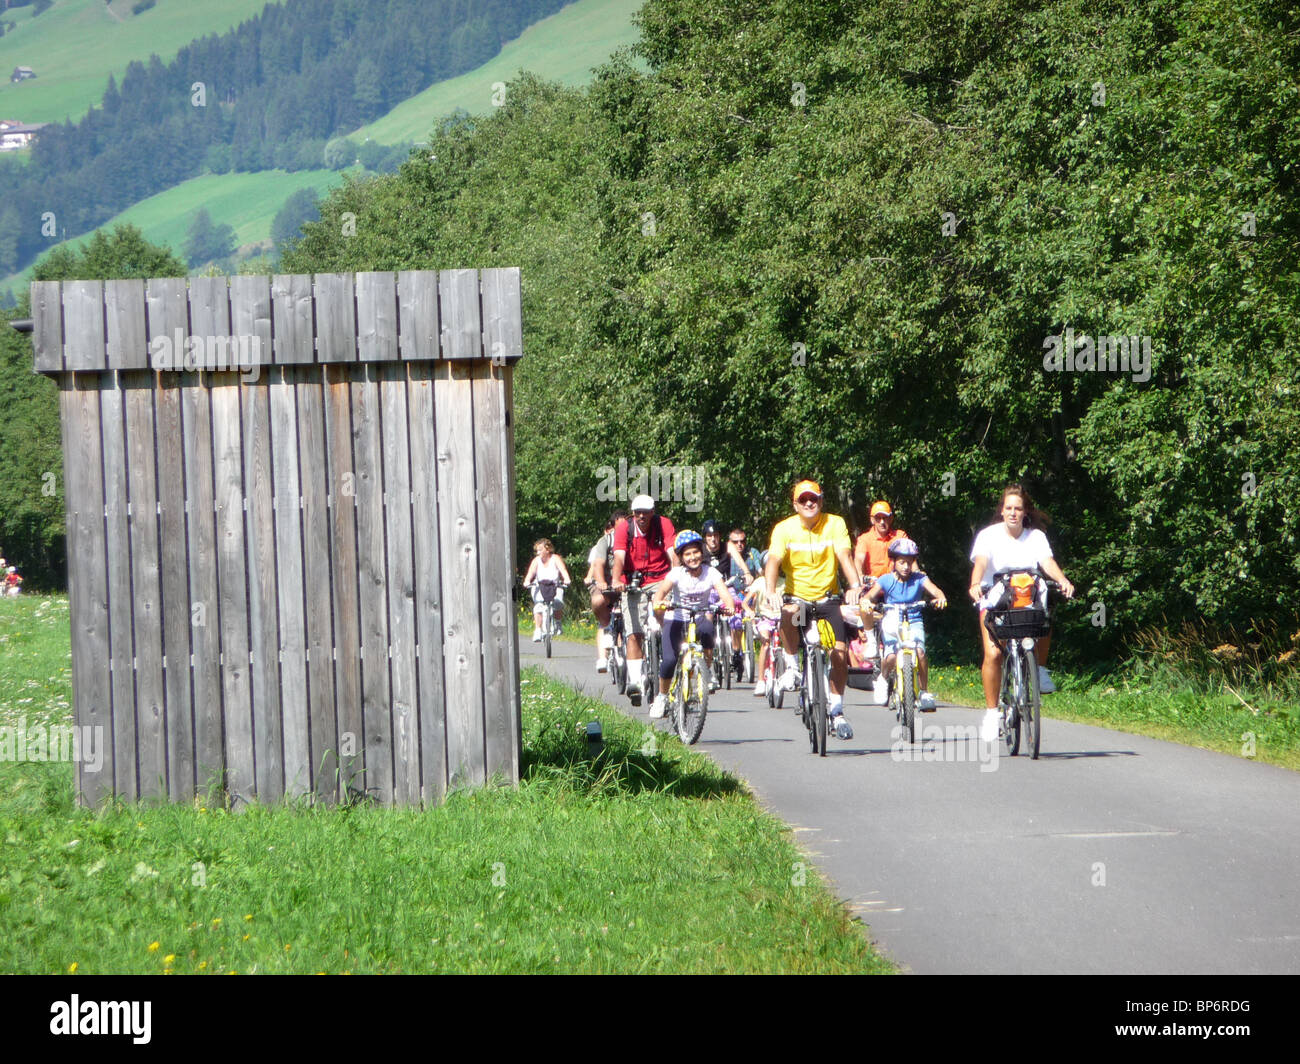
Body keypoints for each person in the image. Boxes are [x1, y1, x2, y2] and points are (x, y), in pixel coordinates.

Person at [968, 484, 1075, 741]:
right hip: (995, 596)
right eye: (1008, 508)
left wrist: (1063, 580)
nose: (1013, 513)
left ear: (1025, 511)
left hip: (1027, 597)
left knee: (1045, 613)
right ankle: (992, 713)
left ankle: (1038, 668)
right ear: (1001, 511)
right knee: (993, 653)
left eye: (1018, 508)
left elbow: (1047, 563)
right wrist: (974, 584)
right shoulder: (988, 535)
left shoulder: (1036, 537)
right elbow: (981, 562)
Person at [763, 479, 866, 740]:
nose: (809, 503)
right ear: (795, 504)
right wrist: (771, 591)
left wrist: (854, 585)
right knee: (789, 613)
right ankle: (792, 666)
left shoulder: (835, 523)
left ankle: (838, 711)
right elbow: (774, 560)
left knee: (839, 655)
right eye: (803, 499)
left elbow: (845, 556)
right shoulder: (784, 528)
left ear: (821, 501)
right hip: (798, 598)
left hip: (827, 598)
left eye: (814, 499)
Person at [649, 530, 738, 718]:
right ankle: (662, 697)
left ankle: (706, 669)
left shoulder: (711, 573)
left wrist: (728, 606)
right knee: (670, 661)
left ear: (702, 552)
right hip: (676, 618)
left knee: (707, 630)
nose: (692, 557)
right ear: (681, 557)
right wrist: (660, 603)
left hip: (698, 616)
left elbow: (725, 595)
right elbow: (661, 593)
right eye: (687, 554)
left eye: (695, 552)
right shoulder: (676, 574)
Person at [610, 495, 678, 706]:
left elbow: (672, 552)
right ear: (633, 513)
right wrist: (616, 580)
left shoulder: (663, 524)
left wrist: (676, 574)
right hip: (633, 581)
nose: (642, 516)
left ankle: (666, 653)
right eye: (637, 512)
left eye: (646, 512)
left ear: (652, 512)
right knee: (634, 633)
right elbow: (619, 557)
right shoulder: (624, 529)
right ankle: (636, 681)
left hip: (660, 579)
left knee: (665, 620)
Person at [863, 537, 946, 711]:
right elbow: (870, 596)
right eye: (902, 562)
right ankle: (883, 679)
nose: (906, 567)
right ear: (893, 562)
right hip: (892, 619)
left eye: (909, 562)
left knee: (921, 653)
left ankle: (924, 691)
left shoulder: (919, 578)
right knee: (891, 656)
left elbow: (935, 589)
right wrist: (867, 602)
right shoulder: (886, 580)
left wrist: (940, 597)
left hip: (914, 620)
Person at [583, 510, 628, 671]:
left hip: (626, 584)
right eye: (620, 525)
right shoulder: (605, 541)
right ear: (613, 526)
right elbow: (598, 564)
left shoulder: (633, 539)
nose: (624, 528)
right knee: (599, 602)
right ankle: (602, 658)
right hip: (607, 583)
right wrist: (601, 582)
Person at [523, 539, 572, 641]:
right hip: (540, 586)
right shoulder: (536, 561)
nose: (538, 552)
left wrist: (566, 579)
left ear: (548, 549)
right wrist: (527, 581)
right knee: (538, 606)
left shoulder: (555, 558)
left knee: (558, 603)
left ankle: (558, 624)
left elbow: (563, 570)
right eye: (537, 550)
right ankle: (538, 630)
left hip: (554, 586)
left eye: (540, 550)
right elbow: (531, 572)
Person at [853, 500, 909, 583]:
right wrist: (860, 576)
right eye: (878, 518)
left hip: (896, 585)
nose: (882, 522)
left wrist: (917, 572)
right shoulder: (864, 539)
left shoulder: (900, 536)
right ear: (872, 520)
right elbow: (859, 560)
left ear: (891, 518)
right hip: (873, 587)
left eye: (885, 518)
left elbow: (910, 557)